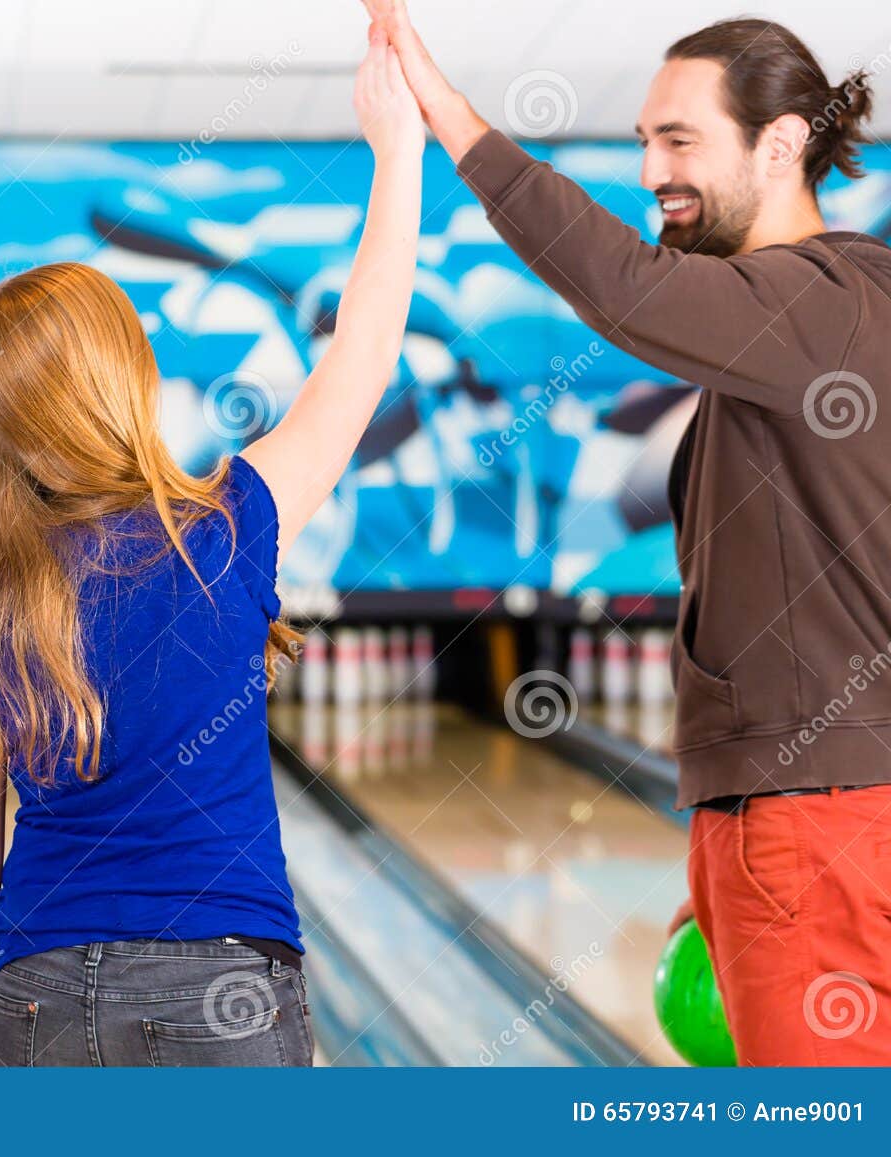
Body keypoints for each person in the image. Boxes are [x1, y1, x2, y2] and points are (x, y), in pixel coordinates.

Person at [367, 0, 891, 1064]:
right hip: (815, 815)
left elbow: (624, 288)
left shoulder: (817, 299)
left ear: (781, 144)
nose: (648, 165)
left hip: (813, 820)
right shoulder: (833, 315)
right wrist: (729, 853)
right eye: (644, 138)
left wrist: (450, 121)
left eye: (679, 138)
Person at [0, 23, 422, 1067]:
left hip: (30, 1007)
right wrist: (398, 150)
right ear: (124, 383)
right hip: (218, 999)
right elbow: (362, 355)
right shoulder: (225, 530)